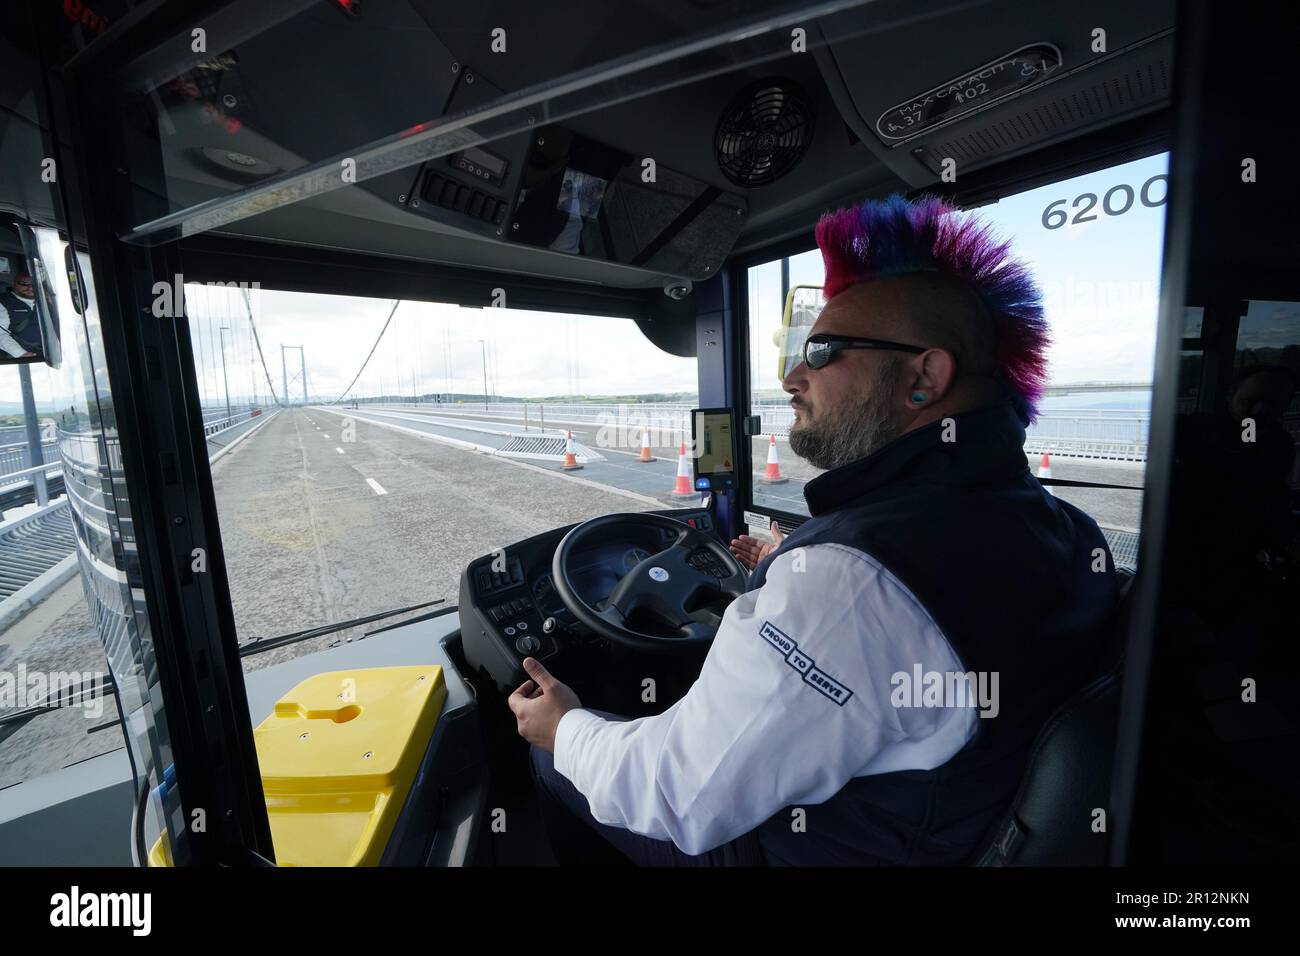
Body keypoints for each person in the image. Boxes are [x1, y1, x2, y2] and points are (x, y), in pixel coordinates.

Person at [510, 194, 1120, 866]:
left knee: (560, 763)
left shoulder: (851, 582)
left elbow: (674, 796)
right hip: (946, 829)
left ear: (925, 377)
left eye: (823, 351)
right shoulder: (1067, 530)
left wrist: (564, 727)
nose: (793, 377)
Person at [0, 271, 42, 359]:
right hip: (18, 357)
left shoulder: (45, 301)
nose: (30, 288)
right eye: (24, 284)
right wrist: (20, 354)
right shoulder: (3, 302)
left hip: (51, 352)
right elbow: (1, 334)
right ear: (13, 283)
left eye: (33, 284)